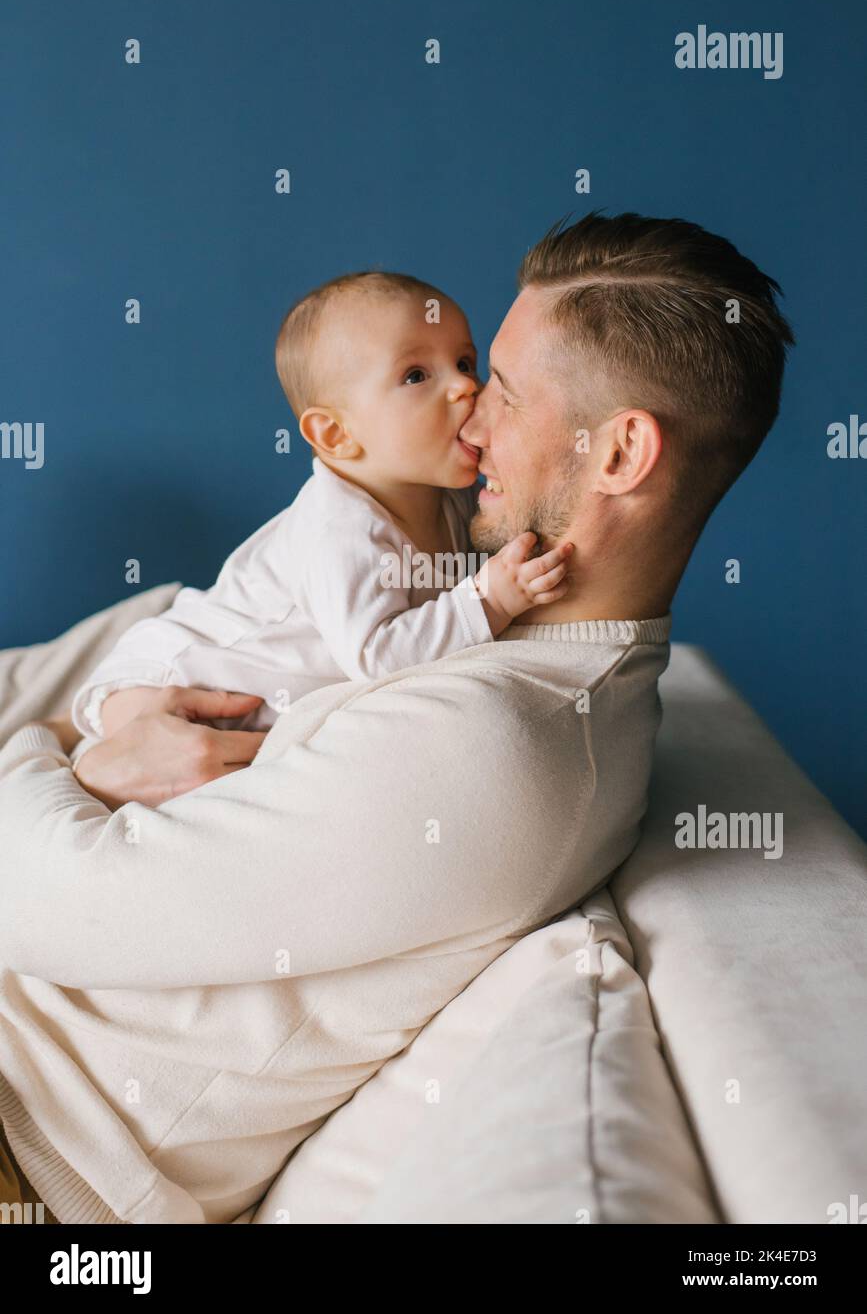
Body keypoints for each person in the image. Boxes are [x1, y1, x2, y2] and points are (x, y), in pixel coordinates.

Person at [0, 211, 794, 1224]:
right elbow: (171, 627)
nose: (471, 418)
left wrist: (52, 743)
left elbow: (38, 901)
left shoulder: (489, 745)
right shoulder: (477, 624)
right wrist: (105, 714)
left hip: (32, 1143)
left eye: (500, 388)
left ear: (621, 452)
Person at [68, 271, 571, 767]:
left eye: (465, 361)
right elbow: (378, 656)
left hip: (258, 708)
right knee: (107, 774)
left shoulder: (453, 503)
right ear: (334, 436)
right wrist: (491, 599)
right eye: (417, 375)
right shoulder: (341, 525)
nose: (465, 385)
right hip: (173, 673)